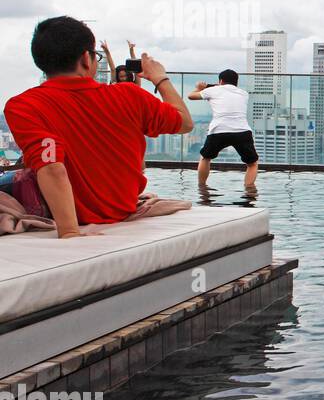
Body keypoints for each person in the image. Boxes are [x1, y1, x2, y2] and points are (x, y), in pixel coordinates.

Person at [3, 16, 193, 237]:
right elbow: (185, 123)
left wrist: (70, 233)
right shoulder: (130, 96)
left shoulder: (24, 105)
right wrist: (160, 78)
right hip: (120, 207)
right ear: (87, 58)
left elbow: (52, 167)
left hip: (56, 209)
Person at [188, 70, 258, 191]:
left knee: (205, 158)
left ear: (220, 81)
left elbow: (191, 96)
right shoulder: (243, 93)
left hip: (218, 131)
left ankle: (202, 189)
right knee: (252, 164)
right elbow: (226, 90)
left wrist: (199, 88)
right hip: (242, 131)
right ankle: (249, 191)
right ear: (236, 82)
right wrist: (216, 86)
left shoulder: (213, 90)